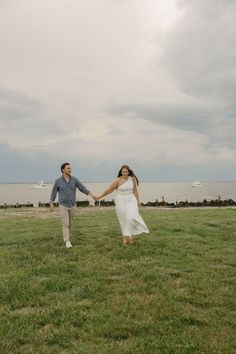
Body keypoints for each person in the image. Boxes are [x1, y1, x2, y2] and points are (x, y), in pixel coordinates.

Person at [95, 164, 149, 245]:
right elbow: (109, 190)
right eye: (123, 171)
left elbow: (135, 191)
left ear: (128, 172)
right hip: (121, 201)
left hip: (131, 200)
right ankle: (126, 237)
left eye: (126, 171)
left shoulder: (132, 179)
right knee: (124, 219)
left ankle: (129, 235)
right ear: (121, 172)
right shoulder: (117, 180)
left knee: (131, 217)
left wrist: (138, 201)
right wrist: (100, 196)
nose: (124, 173)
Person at [50, 163, 95, 248]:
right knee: (65, 223)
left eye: (70, 168)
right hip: (63, 205)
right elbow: (54, 192)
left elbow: (82, 188)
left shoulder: (74, 180)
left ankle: (67, 237)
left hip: (72, 205)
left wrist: (91, 194)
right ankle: (67, 241)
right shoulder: (58, 181)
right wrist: (51, 202)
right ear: (63, 170)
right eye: (68, 168)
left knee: (70, 223)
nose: (70, 170)